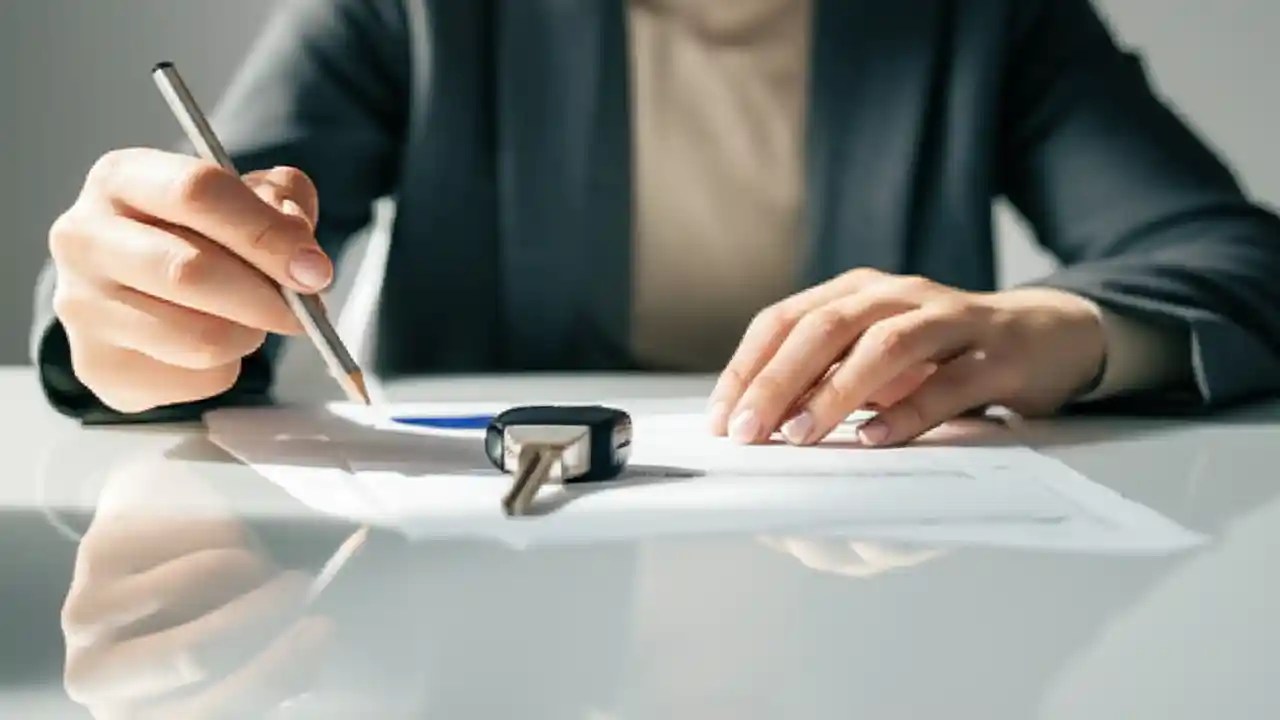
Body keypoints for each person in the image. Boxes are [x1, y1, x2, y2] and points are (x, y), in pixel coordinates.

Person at [32, 0, 1280, 446]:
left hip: (891, 598)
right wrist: (138, 315)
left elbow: (1232, 256)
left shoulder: (986, 16)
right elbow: (193, 246)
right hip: (483, 596)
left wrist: (1056, 327)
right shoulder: (408, 7)